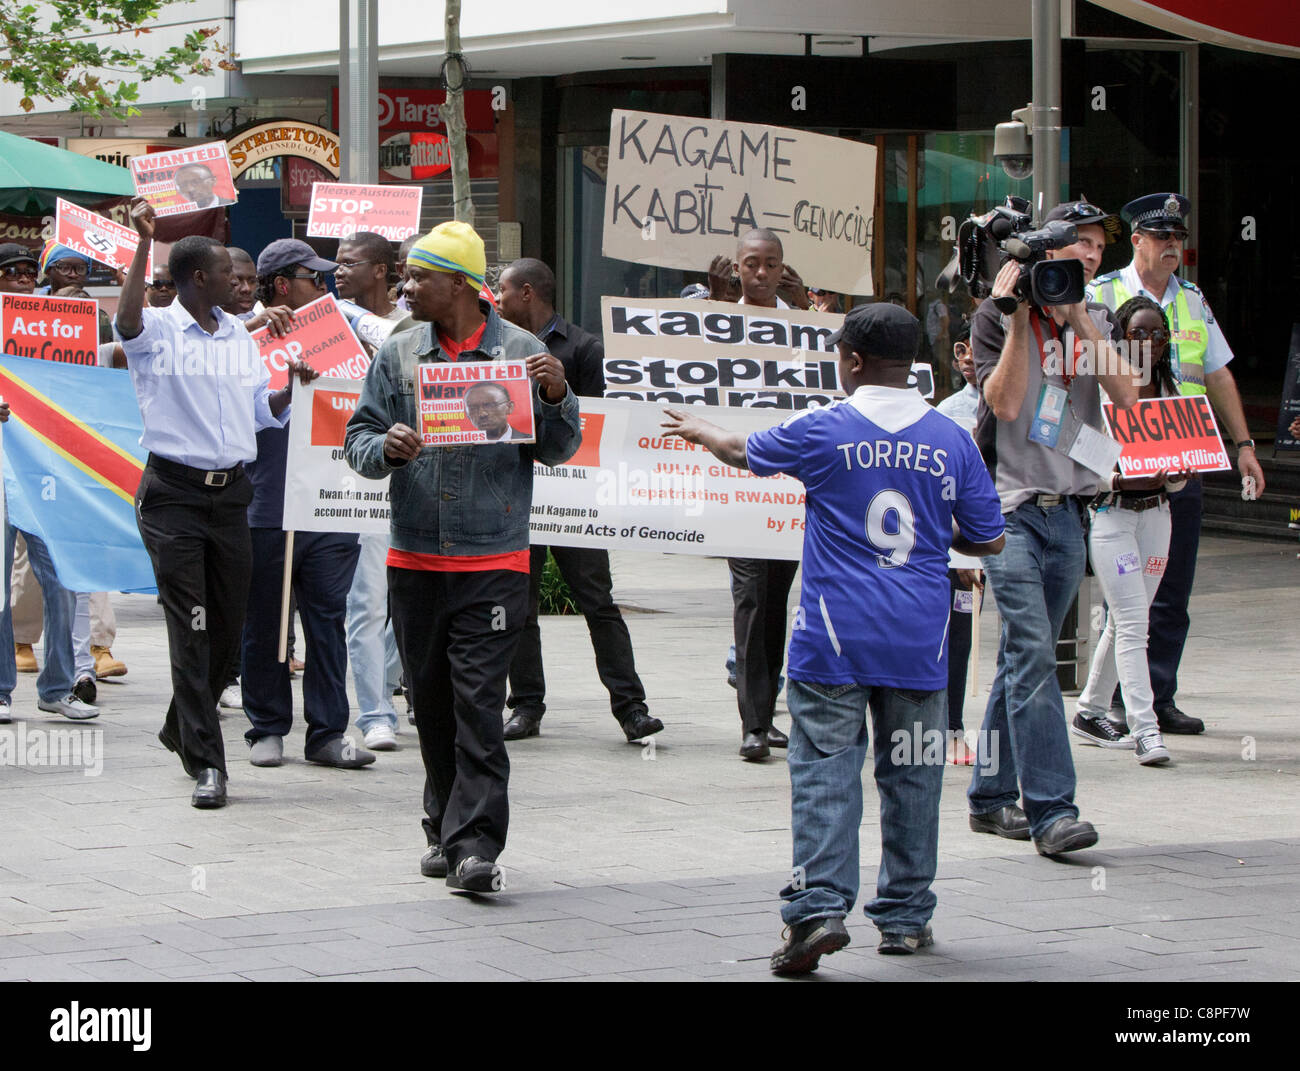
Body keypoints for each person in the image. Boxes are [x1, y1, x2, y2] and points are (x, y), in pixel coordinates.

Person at [663, 303, 1005, 973]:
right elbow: (988, 536)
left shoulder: (825, 428)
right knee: (912, 777)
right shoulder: (952, 438)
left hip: (832, 639)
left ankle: (818, 908)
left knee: (825, 771)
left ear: (850, 360)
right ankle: (905, 918)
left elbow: (743, 451)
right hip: (919, 642)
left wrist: (702, 428)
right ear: (911, 363)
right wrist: (938, 537)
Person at [344, 221, 581, 893]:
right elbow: (358, 437)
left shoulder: (524, 351)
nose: (405, 286)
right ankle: (441, 823)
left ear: (459, 285)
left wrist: (558, 394)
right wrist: (383, 446)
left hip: (493, 561)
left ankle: (476, 845)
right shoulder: (399, 351)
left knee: (479, 705)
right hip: (416, 560)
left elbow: (558, 449)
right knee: (434, 705)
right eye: (404, 275)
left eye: (417, 277)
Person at [114, 197, 317, 809]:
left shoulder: (238, 336)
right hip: (173, 498)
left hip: (232, 497)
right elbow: (124, 324)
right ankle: (209, 764)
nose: (241, 284)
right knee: (193, 629)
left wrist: (289, 392)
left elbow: (259, 412)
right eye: (231, 275)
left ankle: (182, 726)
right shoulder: (157, 331)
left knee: (227, 630)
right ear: (199, 278)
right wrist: (144, 244)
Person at [966, 200, 1140, 857]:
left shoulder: (1094, 316)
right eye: (1077, 249)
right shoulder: (992, 315)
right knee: (1037, 653)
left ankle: (988, 794)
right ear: (1044, 254)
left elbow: (1127, 395)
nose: (1089, 257)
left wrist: (1077, 322)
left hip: (1069, 510)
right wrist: (1018, 324)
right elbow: (1005, 404)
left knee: (1023, 657)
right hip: (1007, 508)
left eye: (1096, 248)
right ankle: (1052, 812)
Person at [1088, 193, 1264, 736]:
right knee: (1126, 595)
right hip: (1119, 466)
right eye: (1161, 237)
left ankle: (1159, 694)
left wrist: (1244, 445)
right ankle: (1116, 701)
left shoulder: (1192, 300)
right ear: (1136, 240)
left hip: (1180, 460)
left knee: (1172, 589)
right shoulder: (1101, 294)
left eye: (1178, 238)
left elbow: (1217, 374)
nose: (1172, 247)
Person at [495, 256, 662, 744]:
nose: (496, 300)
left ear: (527, 293)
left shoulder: (585, 348)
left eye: (502, 290)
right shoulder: (497, 348)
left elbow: (599, 425)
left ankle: (631, 709)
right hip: (519, 495)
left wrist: (558, 390)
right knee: (520, 607)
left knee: (598, 602)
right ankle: (526, 707)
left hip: (575, 499)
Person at [240, 238, 371, 771]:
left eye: (326, 278)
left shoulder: (343, 329)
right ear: (280, 286)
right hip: (269, 502)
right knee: (266, 621)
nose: (325, 286)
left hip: (332, 501)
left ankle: (327, 732)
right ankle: (266, 727)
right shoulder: (240, 339)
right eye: (312, 279)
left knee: (326, 620)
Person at [1074, 297, 1193, 765]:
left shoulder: (1171, 392)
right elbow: (1078, 446)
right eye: (1137, 333)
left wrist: (1178, 473)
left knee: (1129, 616)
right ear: (1121, 335)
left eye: (1157, 334)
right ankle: (1146, 728)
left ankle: (1089, 710)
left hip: (1157, 515)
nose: (1149, 343)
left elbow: (1180, 470)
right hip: (1111, 515)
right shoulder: (1100, 390)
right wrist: (1116, 478)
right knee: (1134, 623)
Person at [714, 229, 799, 760]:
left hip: (788, 490)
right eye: (751, 264)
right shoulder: (715, 328)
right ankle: (753, 723)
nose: (761, 273)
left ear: (782, 268)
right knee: (749, 601)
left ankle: (767, 714)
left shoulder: (805, 331)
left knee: (774, 605)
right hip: (738, 489)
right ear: (737, 270)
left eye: (770, 264)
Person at [333, 232, 410, 752]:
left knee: (404, 603)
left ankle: (385, 683)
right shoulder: (327, 320)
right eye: (335, 263)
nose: (337, 271)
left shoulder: (416, 322)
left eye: (349, 263)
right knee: (365, 599)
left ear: (382, 270)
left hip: (408, 481)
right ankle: (374, 711)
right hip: (347, 480)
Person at [934, 320, 982, 764]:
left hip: (1016, 530)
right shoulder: (948, 412)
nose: (969, 358)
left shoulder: (1020, 403)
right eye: (961, 350)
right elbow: (943, 491)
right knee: (958, 637)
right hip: (963, 545)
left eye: (979, 348)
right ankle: (950, 727)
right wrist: (959, 552)